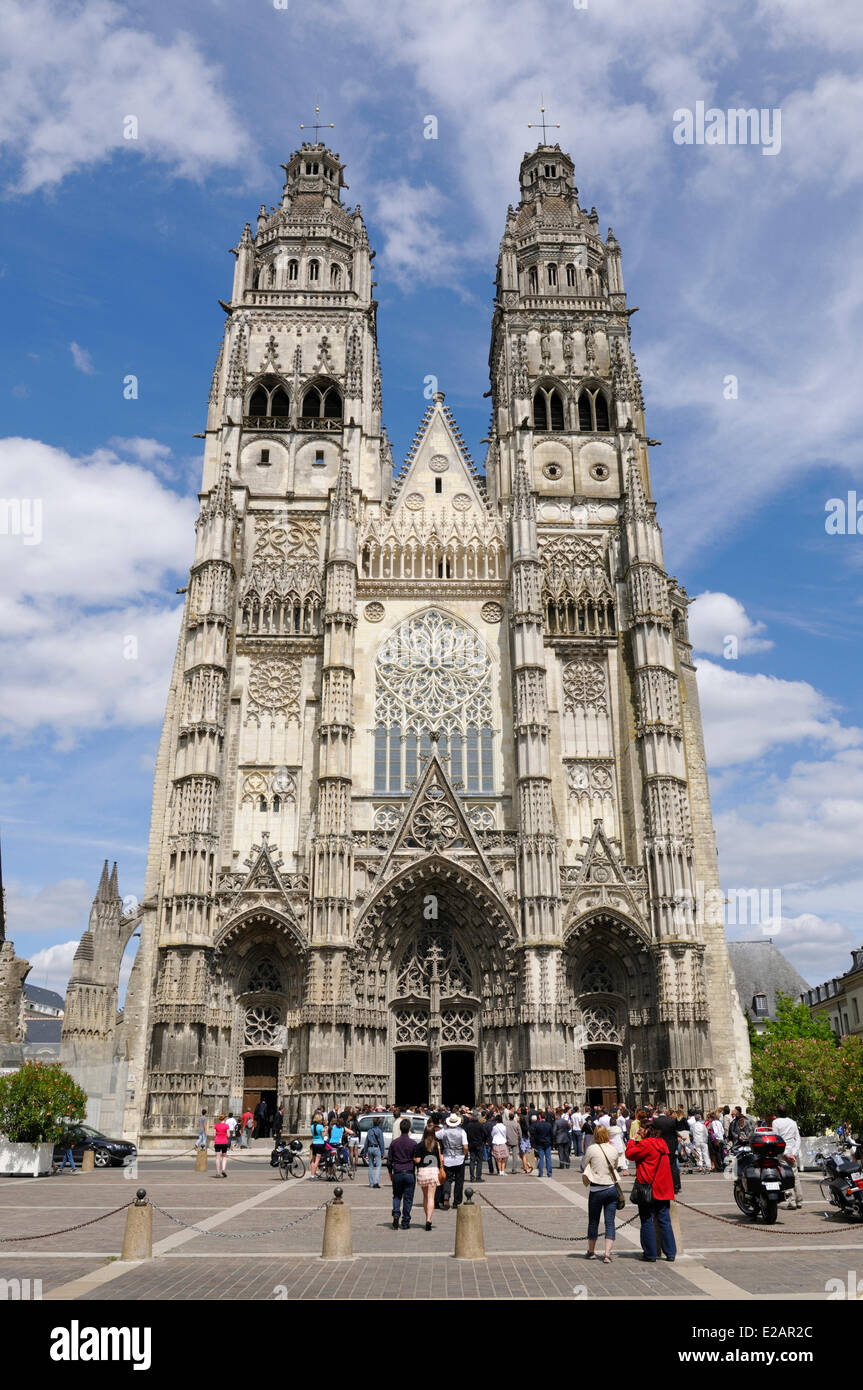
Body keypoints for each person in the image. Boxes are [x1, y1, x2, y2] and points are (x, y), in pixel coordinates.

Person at [626, 1119, 677, 1263]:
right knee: (664, 1220)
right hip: (663, 1188)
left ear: (647, 1130)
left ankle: (650, 1253)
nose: (639, 1131)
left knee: (647, 1220)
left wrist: (631, 1140)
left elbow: (629, 1154)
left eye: (641, 1128)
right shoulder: (662, 1143)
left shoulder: (645, 1144)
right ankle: (671, 1252)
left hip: (648, 1188)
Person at [581, 1123, 625, 1262]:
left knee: (593, 1221)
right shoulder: (612, 1149)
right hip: (611, 1188)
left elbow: (583, 1165)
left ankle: (591, 1251)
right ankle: (607, 1254)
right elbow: (616, 1165)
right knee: (610, 1222)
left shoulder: (591, 1149)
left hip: (596, 1189)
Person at [387, 1117, 418, 1230]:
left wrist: (390, 1172)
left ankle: (396, 1214)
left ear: (400, 1129)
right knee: (408, 1198)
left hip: (398, 1172)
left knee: (397, 1196)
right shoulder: (413, 1144)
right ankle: (405, 1221)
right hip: (409, 1172)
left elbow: (389, 1161)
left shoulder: (394, 1143)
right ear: (409, 1129)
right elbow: (416, 1159)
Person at [771, 1106, 804, 1210]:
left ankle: (792, 1201)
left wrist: (785, 1153)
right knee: (795, 1176)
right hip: (792, 1152)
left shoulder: (776, 1123)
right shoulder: (792, 1122)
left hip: (782, 1152)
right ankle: (799, 1200)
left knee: (786, 1177)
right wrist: (793, 1153)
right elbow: (798, 1139)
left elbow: (776, 1138)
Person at [414, 1120, 444, 1229]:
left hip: (423, 1171)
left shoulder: (420, 1145)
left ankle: (426, 1216)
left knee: (425, 1197)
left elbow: (417, 1160)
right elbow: (441, 1158)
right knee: (431, 1197)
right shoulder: (437, 1145)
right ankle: (429, 1219)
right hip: (433, 1172)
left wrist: (414, 1158)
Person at [435, 1113, 469, 1209]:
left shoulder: (444, 1131)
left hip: (447, 1158)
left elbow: (434, 1135)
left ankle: (446, 1196)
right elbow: (465, 1146)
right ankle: (457, 1201)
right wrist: (464, 1153)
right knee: (459, 1180)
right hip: (459, 1158)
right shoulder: (462, 1132)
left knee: (447, 1179)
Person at [650, 1106, 681, 1194]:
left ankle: (662, 1185)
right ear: (665, 1111)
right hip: (671, 1145)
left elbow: (653, 1133)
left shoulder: (655, 1121)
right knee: (673, 1165)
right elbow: (675, 1132)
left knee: (660, 1165)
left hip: (660, 1145)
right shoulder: (671, 1120)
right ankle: (676, 1186)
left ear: (657, 1112)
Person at [465, 1111, 488, 1183]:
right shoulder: (480, 1125)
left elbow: (466, 1134)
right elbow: (485, 1134)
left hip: (471, 1144)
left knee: (472, 1161)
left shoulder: (468, 1125)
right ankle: (478, 1177)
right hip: (479, 1144)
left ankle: (472, 1177)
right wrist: (483, 1141)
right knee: (479, 1161)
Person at [530, 1110, 554, 1177]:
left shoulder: (537, 1125)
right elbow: (552, 1134)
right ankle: (549, 1173)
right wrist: (551, 1142)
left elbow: (535, 1135)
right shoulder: (549, 1125)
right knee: (548, 1158)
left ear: (540, 1117)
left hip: (540, 1143)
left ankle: (540, 1173)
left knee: (541, 1158)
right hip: (547, 1143)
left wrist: (536, 1143)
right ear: (545, 1117)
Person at [365, 1114, 385, 1188]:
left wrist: (364, 1152)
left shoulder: (369, 1131)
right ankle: (376, 1182)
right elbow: (381, 1143)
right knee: (378, 1165)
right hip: (376, 1148)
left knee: (370, 1166)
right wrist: (383, 1153)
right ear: (379, 1123)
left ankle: (371, 1183)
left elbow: (366, 1142)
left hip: (370, 1148)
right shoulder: (379, 1131)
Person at [310, 1112, 327, 1178]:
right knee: (317, 1160)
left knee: (313, 1159)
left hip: (314, 1143)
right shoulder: (320, 1126)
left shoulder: (312, 1126)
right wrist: (325, 1130)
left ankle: (312, 1174)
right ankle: (313, 1175)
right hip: (320, 1143)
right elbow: (323, 1136)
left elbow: (313, 1135)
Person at [213, 1113, 230, 1178]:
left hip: (217, 1142)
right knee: (224, 1156)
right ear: (224, 1118)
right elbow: (228, 1135)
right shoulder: (226, 1126)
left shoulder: (216, 1125)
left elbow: (214, 1134)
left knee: (217, 1157)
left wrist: (218, 1133)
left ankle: (217, 1172)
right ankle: (223, 1169)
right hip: (224, 1142)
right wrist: (224, 1134)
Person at [517, 1108, 534, 1174]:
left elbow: (520, 1128)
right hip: (527, 1137)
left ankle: (525, 1168)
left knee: (522, 1154)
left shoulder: (521, 1118)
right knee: (523, 1154)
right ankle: (528, 1165)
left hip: (523, 1137)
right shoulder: (528, 1117)